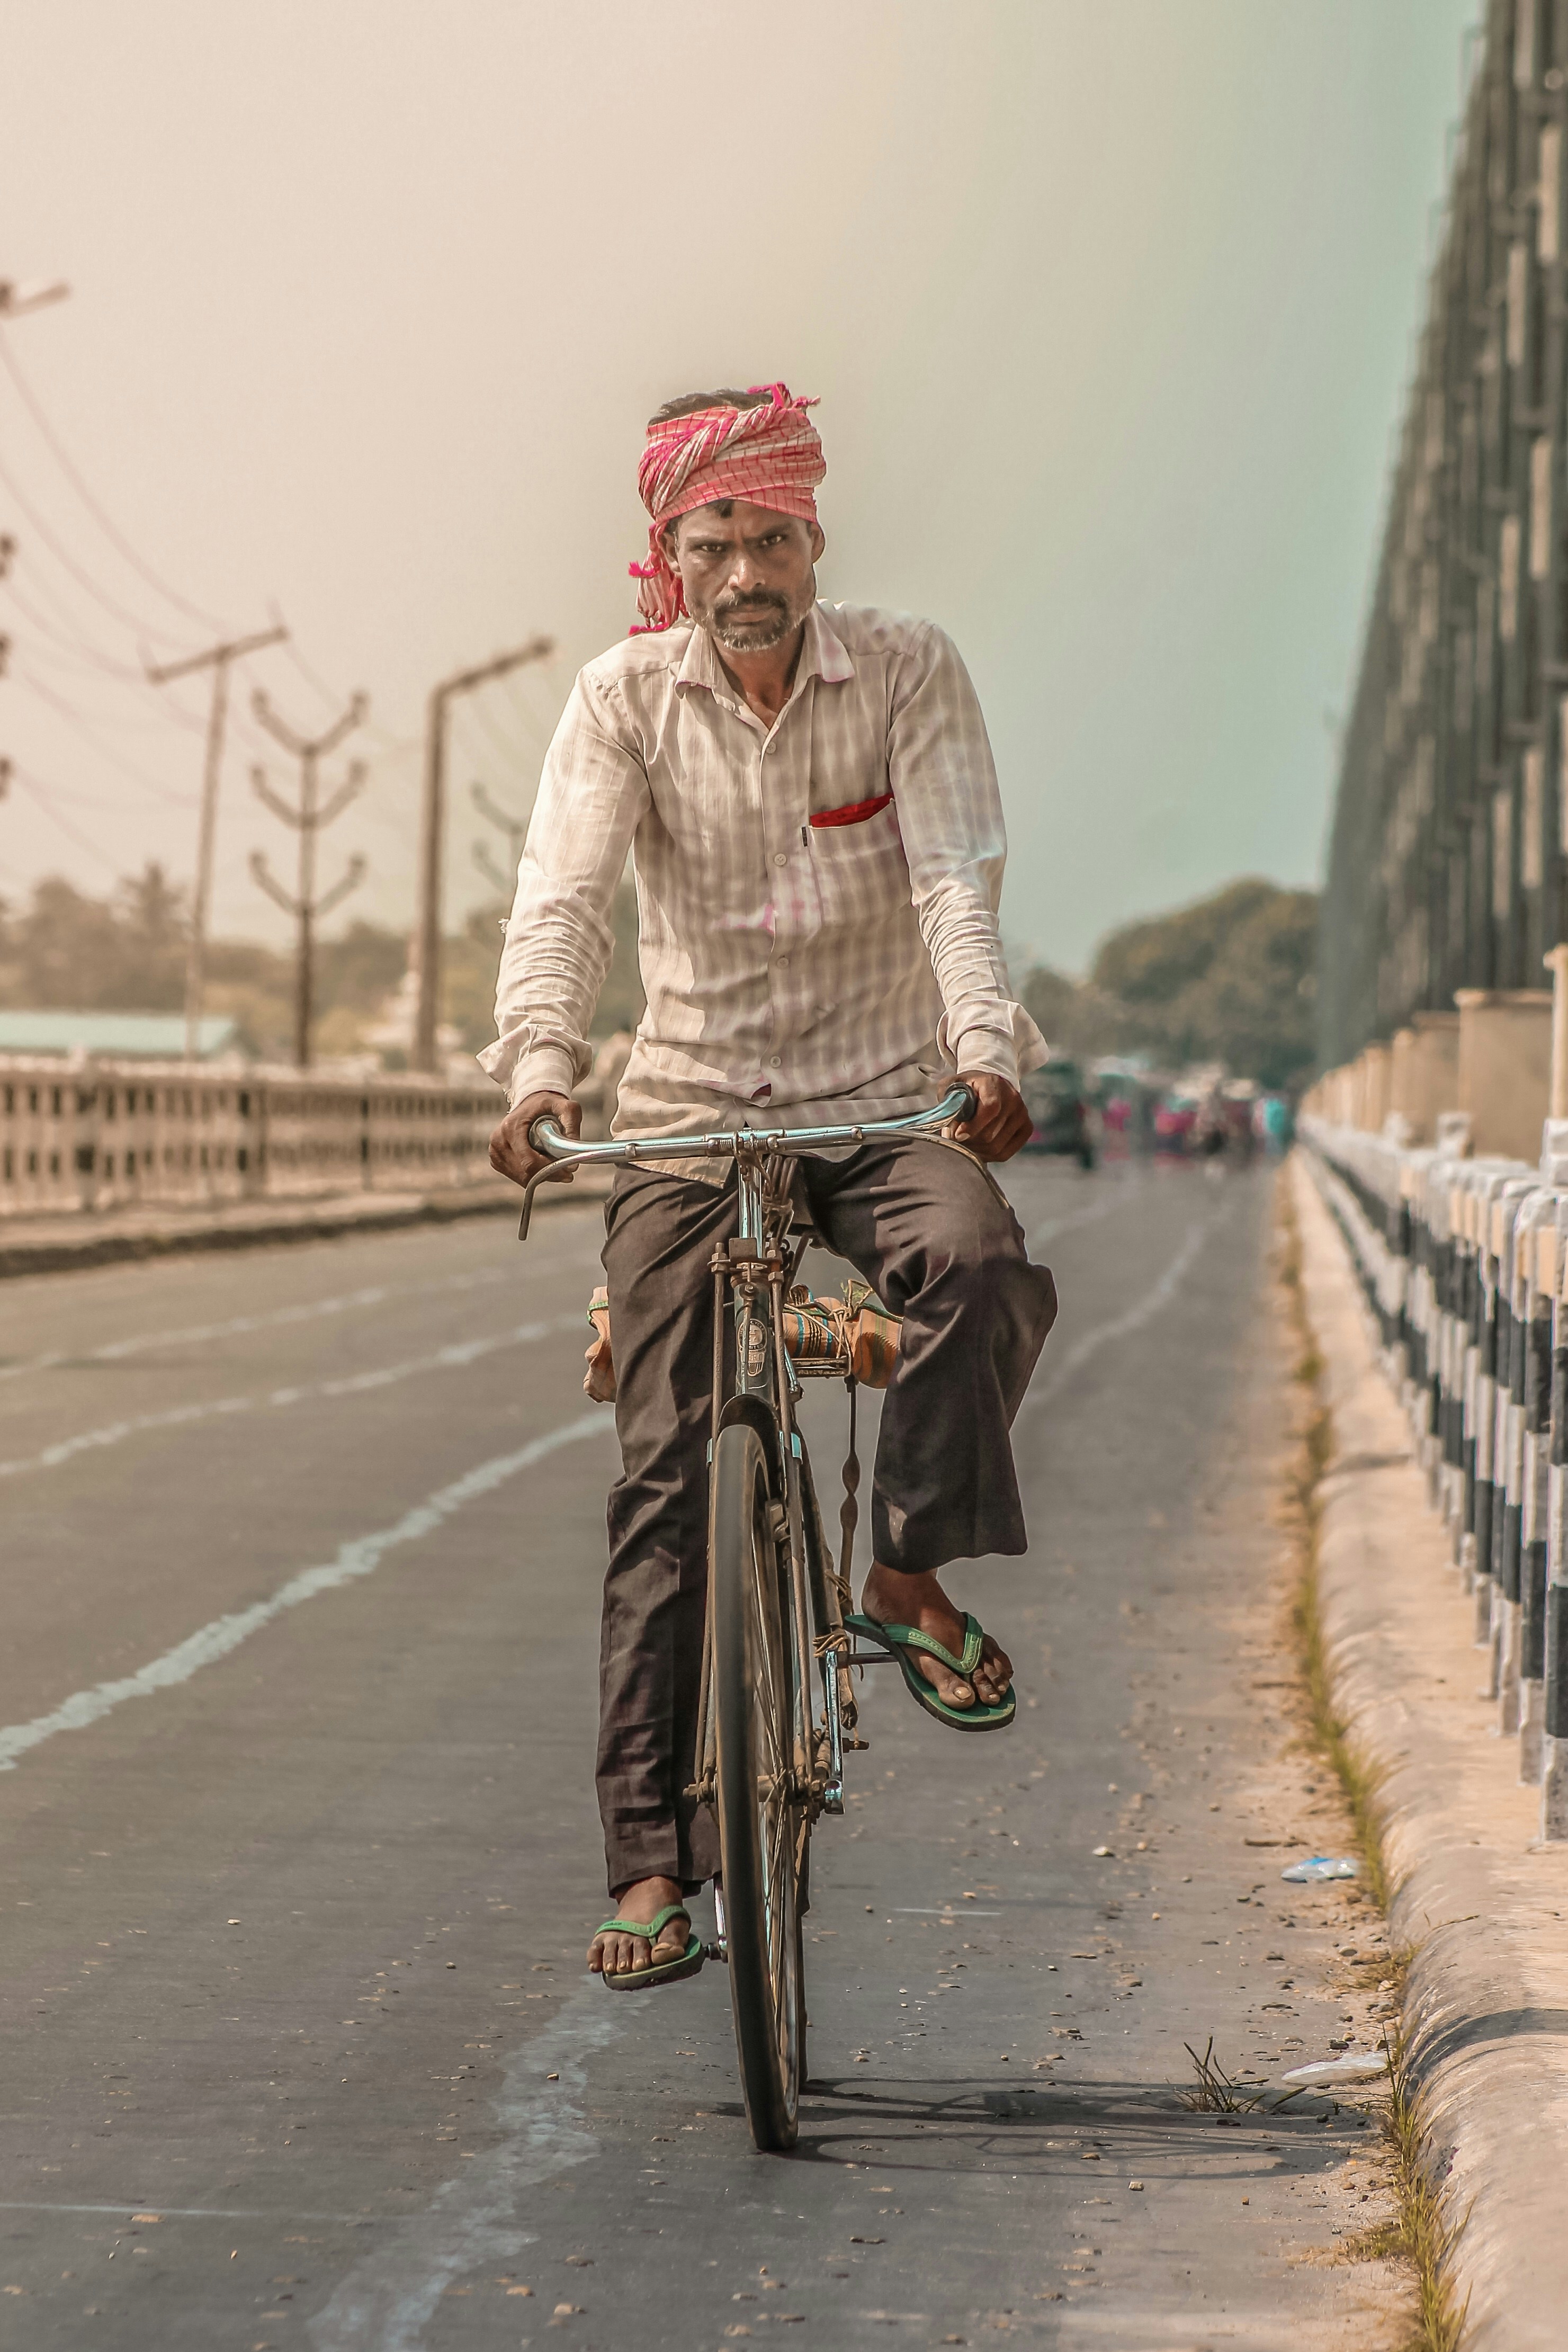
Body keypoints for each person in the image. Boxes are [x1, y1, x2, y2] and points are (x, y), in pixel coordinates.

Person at [483, 384, 1058, 1990]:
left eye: (772, 539)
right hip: (687, 1115)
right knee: (665, 1486)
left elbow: (953, 876)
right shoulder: (622, 699)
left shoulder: (908, 668)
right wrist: (539, 1066)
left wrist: (983, 1047)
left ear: (816, 541)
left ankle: (901, 1576)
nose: (745, 571)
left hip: (881, 1100)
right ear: (668, 556)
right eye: (713, 543)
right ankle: (650, 1866)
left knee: (980, 1267)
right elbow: (565, 896)